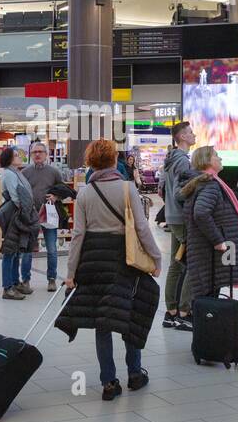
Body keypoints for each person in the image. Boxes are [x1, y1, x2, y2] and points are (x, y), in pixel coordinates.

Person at [58, 139, 161, 401]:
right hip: (123, 259)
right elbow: (141, 228)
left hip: (93, 261)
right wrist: (156, 257)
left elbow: (78, 235)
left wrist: (70, 273)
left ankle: (108, 382)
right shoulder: (127, 189)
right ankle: (135, 374)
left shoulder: (84, 193)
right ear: (114, 160)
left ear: (91, 162)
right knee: (129, 312)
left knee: (102, 321)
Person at [180, 146, 238, 301]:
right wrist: (218, 240)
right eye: (217, 155)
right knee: (209, 295)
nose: (220, 158)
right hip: (210, 250)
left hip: (204, 248)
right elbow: (200, 213)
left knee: (208, 292)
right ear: (207, 161)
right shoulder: (210, 184)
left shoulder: (203, 182)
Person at [160, 121, 198, 330]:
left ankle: (171, 311)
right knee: (193, 263)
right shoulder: (183, 161)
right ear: (182, 137)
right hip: (182, 218)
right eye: (191, 133)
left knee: (176, 264)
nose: (194, 135)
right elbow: (179, 192)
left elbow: (164, 189)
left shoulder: (171, 159)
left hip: (172, 216)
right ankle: (184, 312)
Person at [23, 141, 66, 292]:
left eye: (40, 152)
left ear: (46, 154)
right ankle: (26, 280)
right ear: (31, 155)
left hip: (49, 215)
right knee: (28, 250)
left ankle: (52, 279)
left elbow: (63, 190)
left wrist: (56, 197)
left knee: (52, 249)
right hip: (30, 215)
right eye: (35, 152)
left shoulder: (54, 172)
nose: (38, 154)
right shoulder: (25, 173)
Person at [0, 145, 37, 300]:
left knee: (15, 251)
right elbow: (16, 197)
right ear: (10, 159)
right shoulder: (9, 174)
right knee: (9, 252)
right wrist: (26, 213)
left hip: (18, 215)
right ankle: (7, 288)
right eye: (16, 155)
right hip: (15, 217)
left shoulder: (16, 172)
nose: (19, 157)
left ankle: (14, 282)